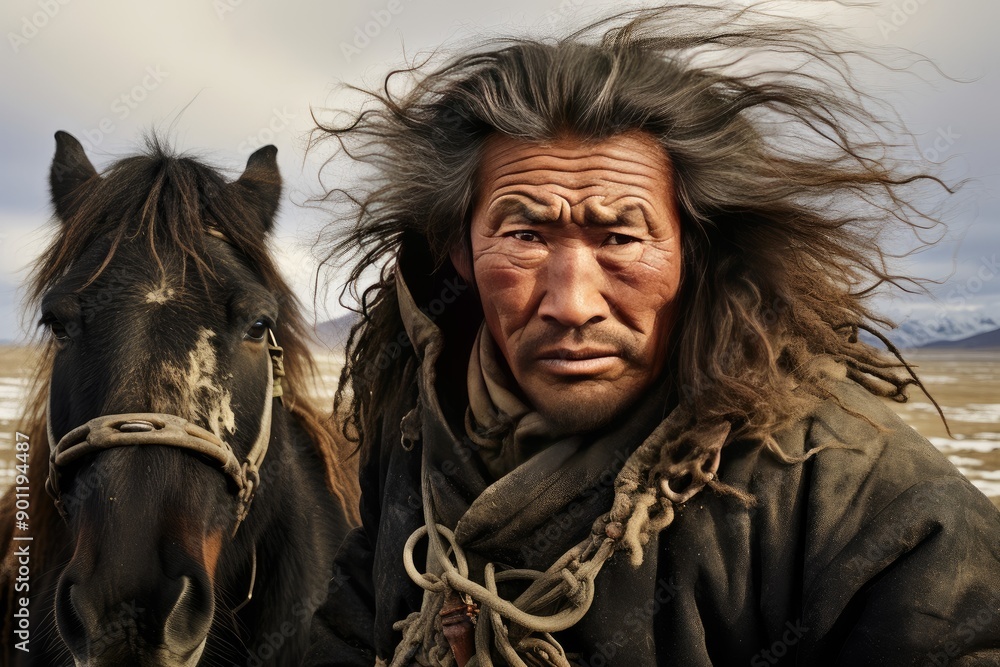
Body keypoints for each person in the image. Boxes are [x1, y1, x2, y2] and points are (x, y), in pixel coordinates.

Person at [304, 4, 1000, 665]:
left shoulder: (854, 497)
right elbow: (354, 612)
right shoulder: (420, 425)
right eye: (524, 234)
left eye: (619, 236)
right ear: (460, 251)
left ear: (693, 252)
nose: (571, 304)